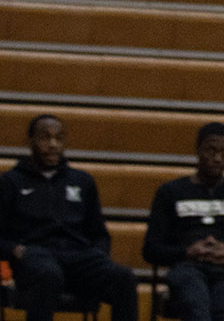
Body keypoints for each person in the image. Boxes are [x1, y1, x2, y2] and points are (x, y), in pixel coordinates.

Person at [0, 114, 139, 321]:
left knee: (124, 278)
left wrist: (98, 257)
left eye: (59, 138)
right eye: (45, 138)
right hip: (35, 257)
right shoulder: (10, 182)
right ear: (30, 142)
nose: (53, 144)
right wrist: (15, 250)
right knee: (49, 275)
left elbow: (100, 234)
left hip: (77, 256)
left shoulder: (82, 181)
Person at [143, 122, 224, 321]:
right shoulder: (170, 192)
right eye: (211, 150)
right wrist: (187, 252)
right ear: (197, 150)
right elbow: (151, 250)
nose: (217, 158)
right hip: (187, 268)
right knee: (196, 307)